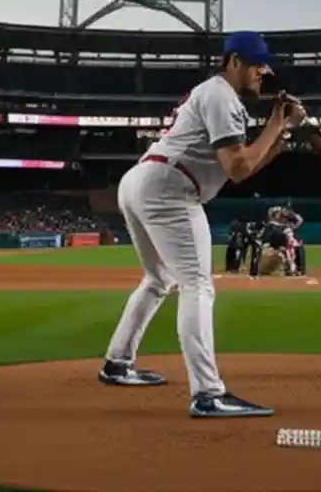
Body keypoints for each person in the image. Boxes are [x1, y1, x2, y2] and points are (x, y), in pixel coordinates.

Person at [98, 30, 305, 418]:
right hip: (169, 188)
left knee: (158, 280)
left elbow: (246, 165)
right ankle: (208, 393)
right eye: (257, 63)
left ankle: (117, 362)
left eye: (266, 65)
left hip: (146, 181)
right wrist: (277, 121)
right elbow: (239, 167)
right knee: (197, 284)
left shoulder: (218, 97)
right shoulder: (221, 95)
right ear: (233, 62)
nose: (264, 71)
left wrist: (283, 129)